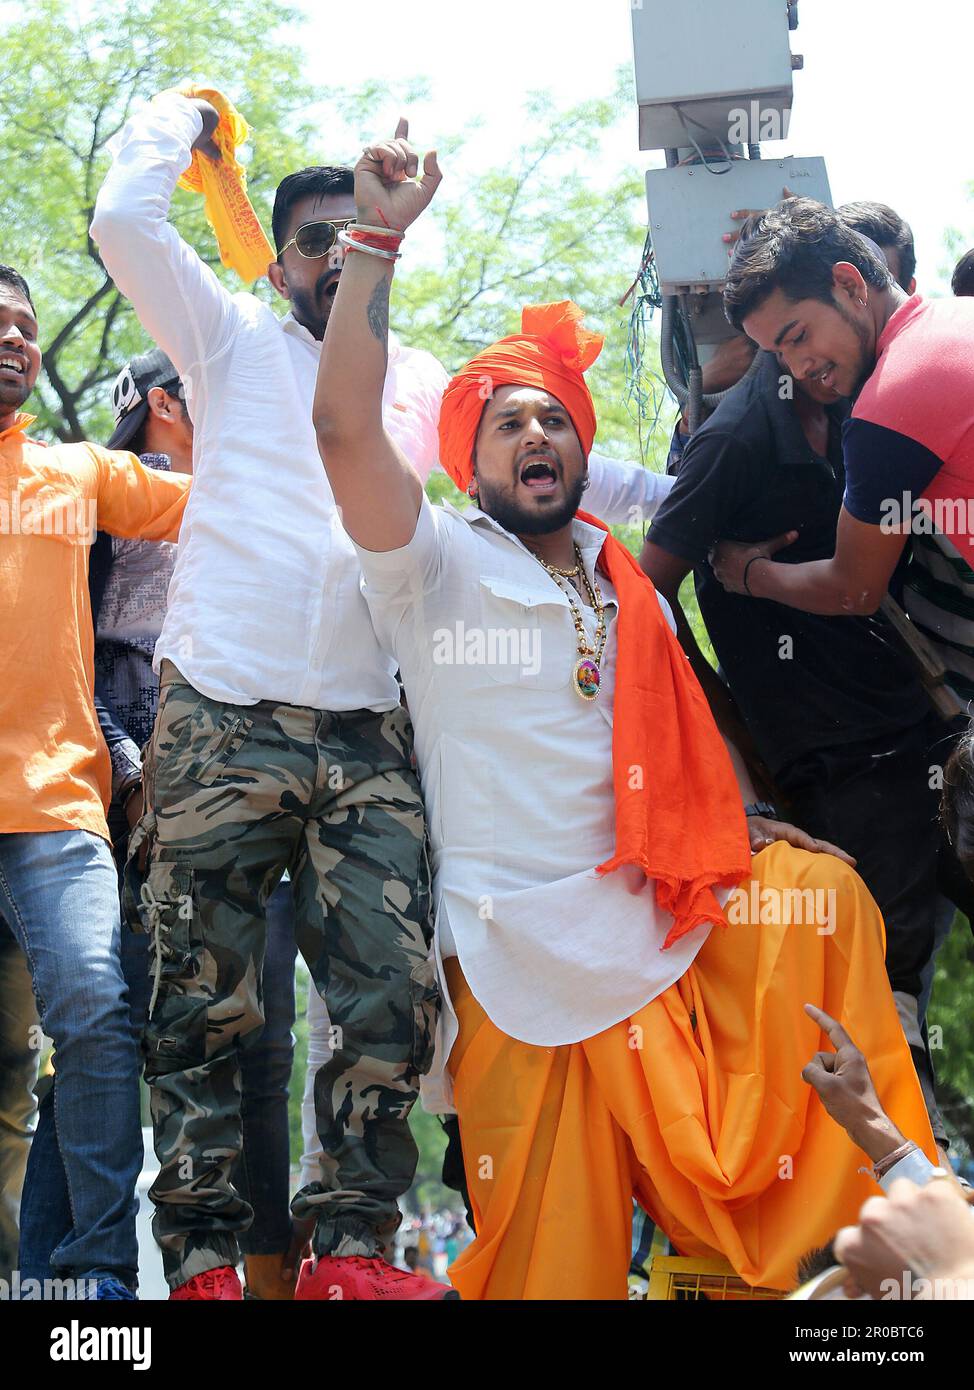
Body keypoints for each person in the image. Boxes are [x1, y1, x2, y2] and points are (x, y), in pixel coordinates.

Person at [309, 124, 935, 1299]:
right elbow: (342, 430)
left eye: (552, 418)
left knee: (821, 899)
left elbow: (678, 728)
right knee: (554, 1273)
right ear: (469, 459)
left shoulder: (618, 573)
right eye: (506, 422)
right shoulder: (433, 565)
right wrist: (373, 246)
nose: (535, 435)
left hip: (662, 914)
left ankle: (820, 1261)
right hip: (520, 953)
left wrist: (747, 818)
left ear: (580, 447)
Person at [90, 89, 456, 1302]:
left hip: (369, 730)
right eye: (317, 237)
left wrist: (685, 507)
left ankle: (351, 1250)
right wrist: (177, 117)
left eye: (363, 231)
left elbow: (541, 467)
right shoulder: (229, 341)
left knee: (388, 997)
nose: (340, 251)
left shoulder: (427, 381)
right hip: (220, 719)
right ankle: (199, 1260)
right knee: (202, 1002)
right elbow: (122, 223)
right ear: (282, 257)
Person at [639, 339, 968, 1147]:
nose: (810, 354)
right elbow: (645, 596)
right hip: (840, 767)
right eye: (783, 335)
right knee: (881, 998)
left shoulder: (873, 406)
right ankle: (915, 1207)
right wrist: (727, 727)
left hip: (932, 735)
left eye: (806, 329)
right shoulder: (735, 442)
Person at [0, 263, 190, 1299]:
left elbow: (228, 506)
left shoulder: (75, 471)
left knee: (94, 1009)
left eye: (26, 325)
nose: (17, 337)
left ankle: (94, 1275)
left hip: (55, 808)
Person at [712, 199, 974, 709]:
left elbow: (854, 588)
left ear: (851, 286)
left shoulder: (892, 404)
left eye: (799, 337)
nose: (797, 367)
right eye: (780, 354)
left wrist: (748, 574)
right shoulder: (958, 316)